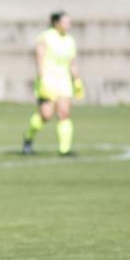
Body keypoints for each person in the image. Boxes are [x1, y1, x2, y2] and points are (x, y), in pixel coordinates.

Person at [21, 10, 84, 157]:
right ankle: (28, 137)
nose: (68, 25)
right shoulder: (46, 37)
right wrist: (42, 80)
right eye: (65, 22)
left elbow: (72, 63)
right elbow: (39, 59)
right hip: (48, 80)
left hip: (64, 81)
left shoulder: (70, 40)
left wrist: (77, 81)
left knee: (64, 114)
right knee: (46, 115)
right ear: (56, 23)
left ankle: (64, 149)